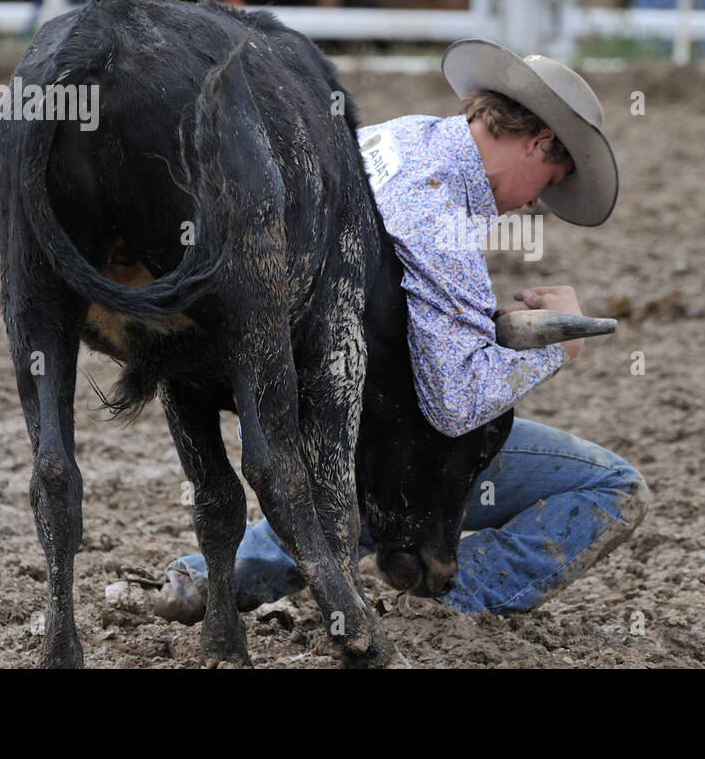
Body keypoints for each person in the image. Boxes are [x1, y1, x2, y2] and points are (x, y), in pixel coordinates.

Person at [153, 39, 650, 621]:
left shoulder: (397, 139)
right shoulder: (441, 209)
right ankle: (455, 599)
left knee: (382, 441)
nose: (535, 199)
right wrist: (555, 347)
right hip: (384, 417)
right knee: (613, 485)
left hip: (308, 379)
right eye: (548, 178)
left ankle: (221, 573)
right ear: (538, 143)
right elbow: (456, 400)